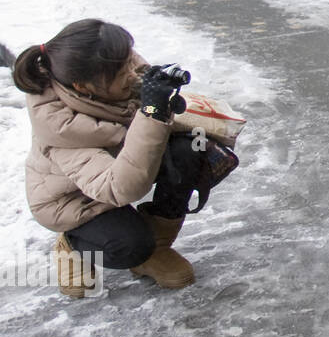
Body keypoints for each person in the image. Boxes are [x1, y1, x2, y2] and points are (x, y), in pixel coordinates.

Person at [10, 19, 197, 297]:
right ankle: (73, 245)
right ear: (83, 86)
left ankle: (157, 249)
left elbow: (133, 80)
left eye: (129, 60)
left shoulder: (103, 75)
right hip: (75, 200)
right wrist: (152, 114)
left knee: (192, 150)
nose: (132, 72)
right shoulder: (62, 131)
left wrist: (158, 91)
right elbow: (121, 188)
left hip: (118, 165)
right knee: (130, 245)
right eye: (121, 71)